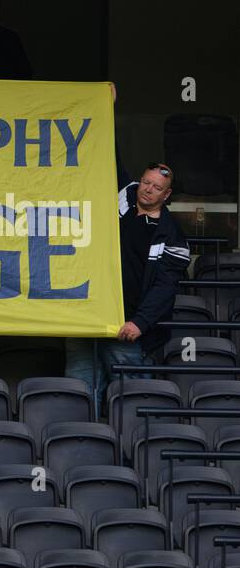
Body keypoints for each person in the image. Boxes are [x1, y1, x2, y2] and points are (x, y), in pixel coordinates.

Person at [65, 163, 189, 413]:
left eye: (157, 187)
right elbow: (103, 150)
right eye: (146, 182)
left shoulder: (171, 234)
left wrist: (140, 323)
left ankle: (135, 449)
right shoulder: (118, 198)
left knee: (133, 399)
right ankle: (82, 443)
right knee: (79, 392)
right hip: (86, 316)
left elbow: (165, 287)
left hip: (126, 326)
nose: (148, 190)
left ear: (166, 194)